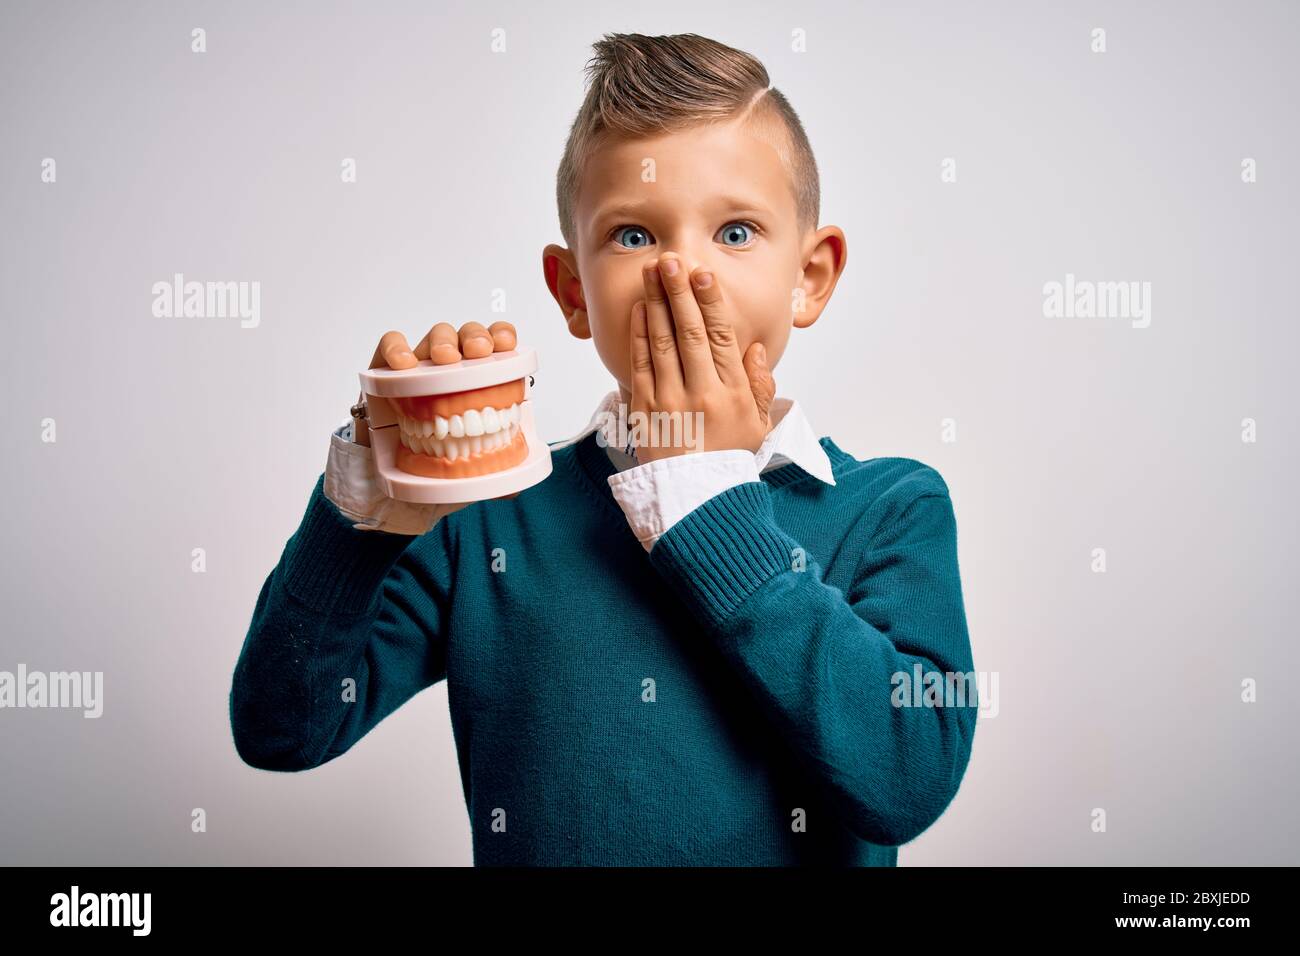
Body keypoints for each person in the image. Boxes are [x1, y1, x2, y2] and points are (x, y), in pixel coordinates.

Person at [229, 31, 978, 866]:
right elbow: (281, 728)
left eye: (734, 232)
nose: (680, 271)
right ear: (572, 291)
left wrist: (703, 497)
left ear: (811, 276)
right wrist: (363, 513)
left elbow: (908, 778)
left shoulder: (891, 508)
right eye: (633, 236)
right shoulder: (492, 521)